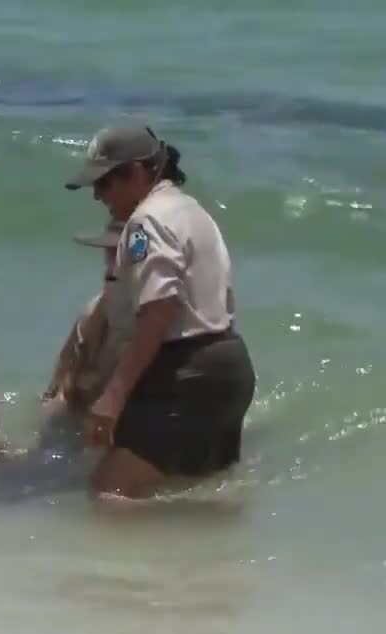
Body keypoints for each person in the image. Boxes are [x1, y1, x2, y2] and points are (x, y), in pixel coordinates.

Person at [64, 125, 255, 499]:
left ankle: (132, 561)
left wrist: (114, 396)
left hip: (184, 374)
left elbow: (159, 307)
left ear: (135, 173)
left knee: (109, 495)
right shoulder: (193, 211)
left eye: (103, 185)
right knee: (193, 491)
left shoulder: (146, 222)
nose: (98, 197)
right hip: (231, 365)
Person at [41, 218, 136, 424]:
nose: (112, 266)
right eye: (110, 253)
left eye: (121, 254)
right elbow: (57, 389)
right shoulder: (91, 313)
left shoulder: (165, 323)